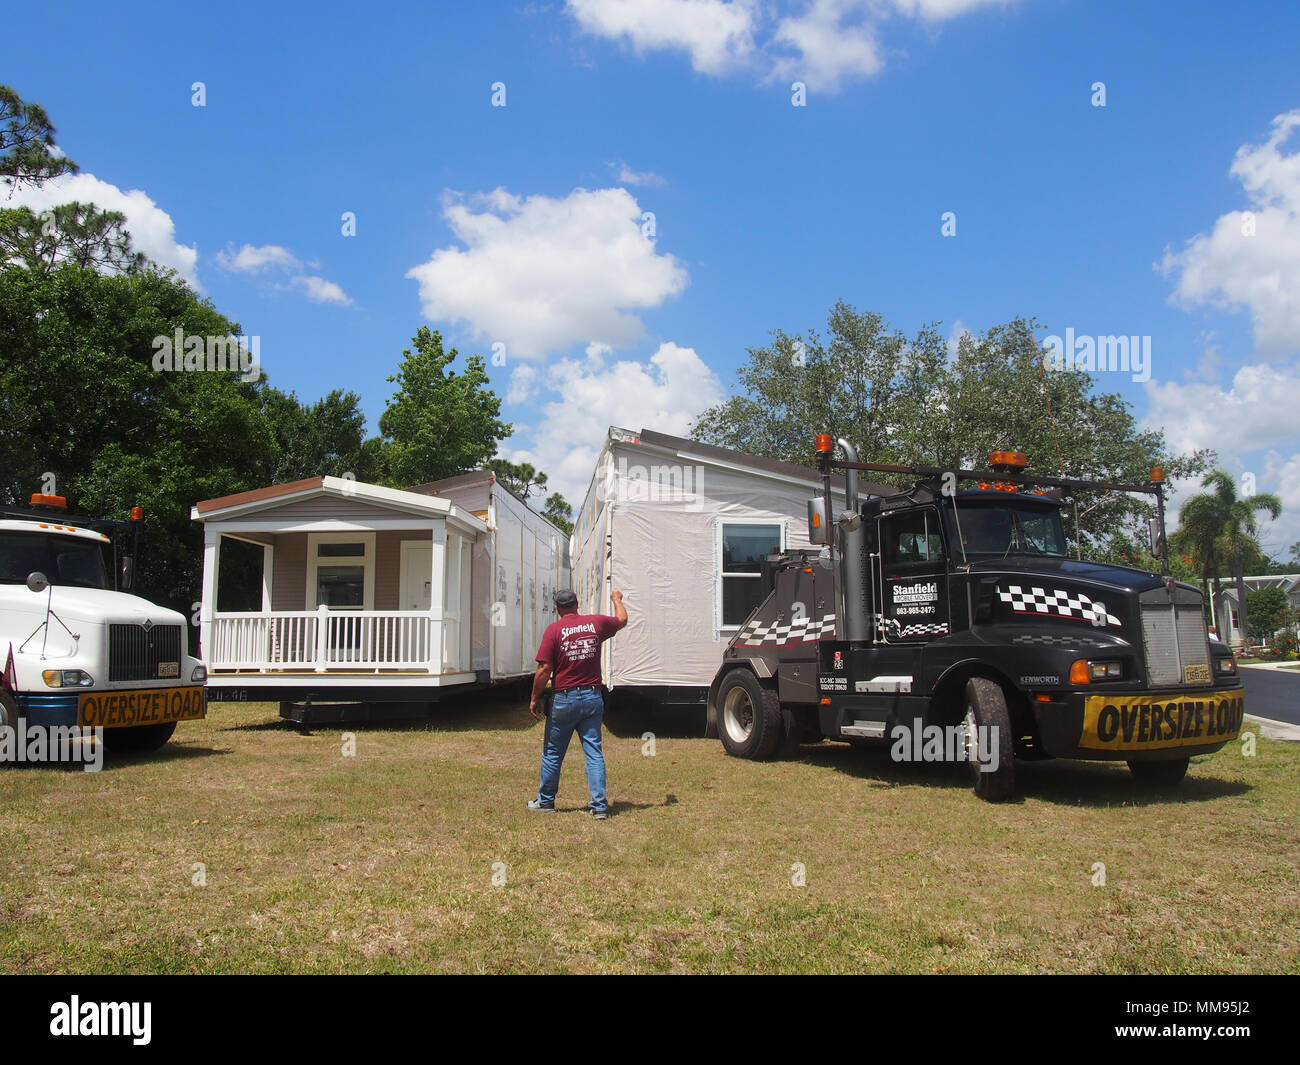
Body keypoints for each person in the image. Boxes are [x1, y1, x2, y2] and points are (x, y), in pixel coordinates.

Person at [527, 587, 628, 819]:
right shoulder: (596, 624)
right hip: (592, 697)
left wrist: (534, 698)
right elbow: (622, 619)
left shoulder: (554, 631)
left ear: (557, 608)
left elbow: (544, 669)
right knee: (593, 751)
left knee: (553, 752)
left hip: (564, 699)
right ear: (577, 603)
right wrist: (616, 599)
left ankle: (546, 802)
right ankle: (600, 806)